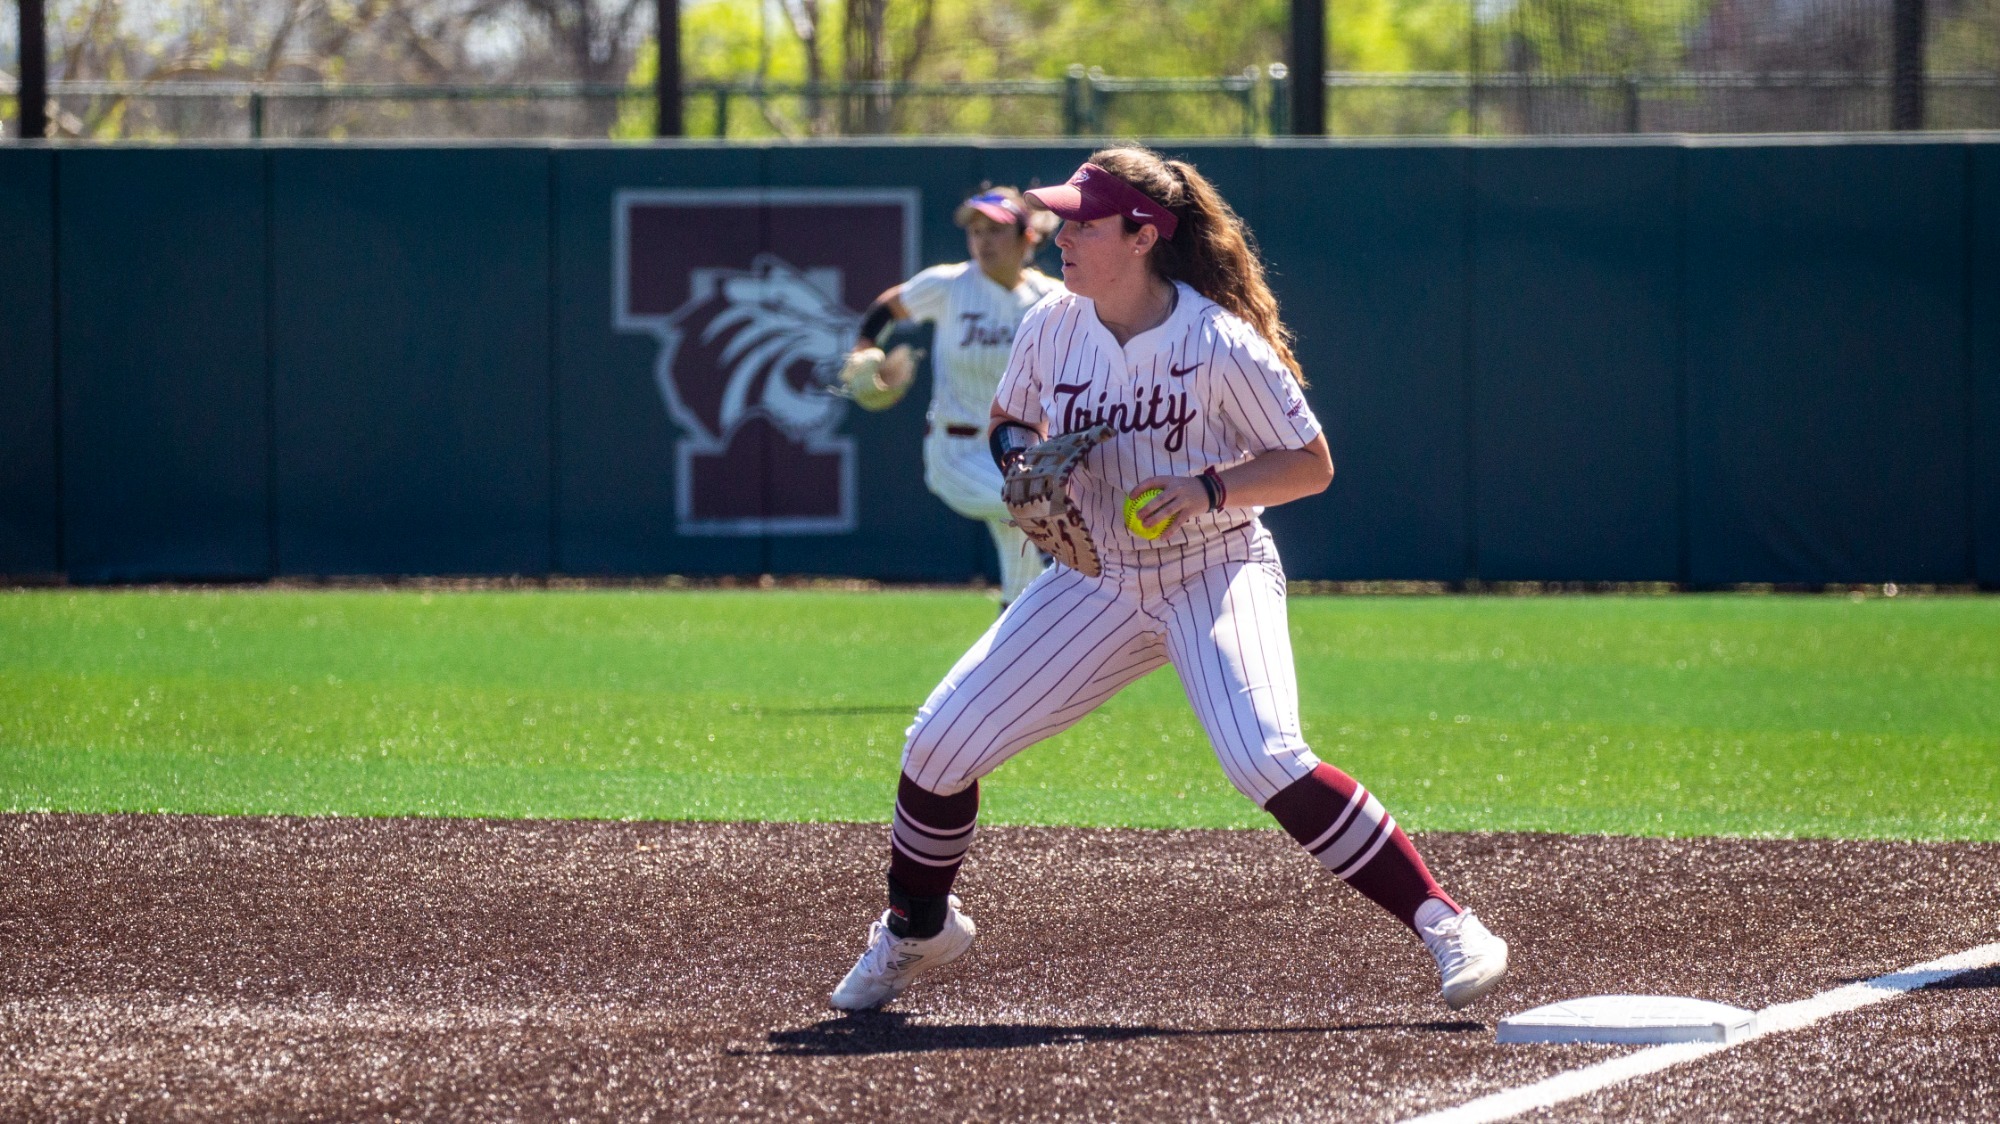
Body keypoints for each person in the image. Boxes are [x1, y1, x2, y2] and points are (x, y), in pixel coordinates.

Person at [829, 147, 1510, 1014]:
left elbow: (1310, 464)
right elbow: (1009, 420)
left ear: (1143, 234)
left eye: (1084, 221)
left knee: (1264, 757)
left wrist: (1207, 490)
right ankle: (918, 927)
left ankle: (1448, 922)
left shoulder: (1215, 340)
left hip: (1215, 568)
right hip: (1097, 576)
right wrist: (1022, 462)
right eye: (1063, 218)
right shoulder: (1053, 323)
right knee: (935, 746)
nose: (1063, 235)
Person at [844, 187, 1064, 606]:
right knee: (1031, 501)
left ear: (1027, 237)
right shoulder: (949, 286)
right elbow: (887, 308)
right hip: (957, 453)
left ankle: (1015, 636)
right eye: (975, 230)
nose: (983, 240)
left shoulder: (1051, 298)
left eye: (996, 231)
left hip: (1019, 454)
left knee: (1022, 572)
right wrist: (864, 350)